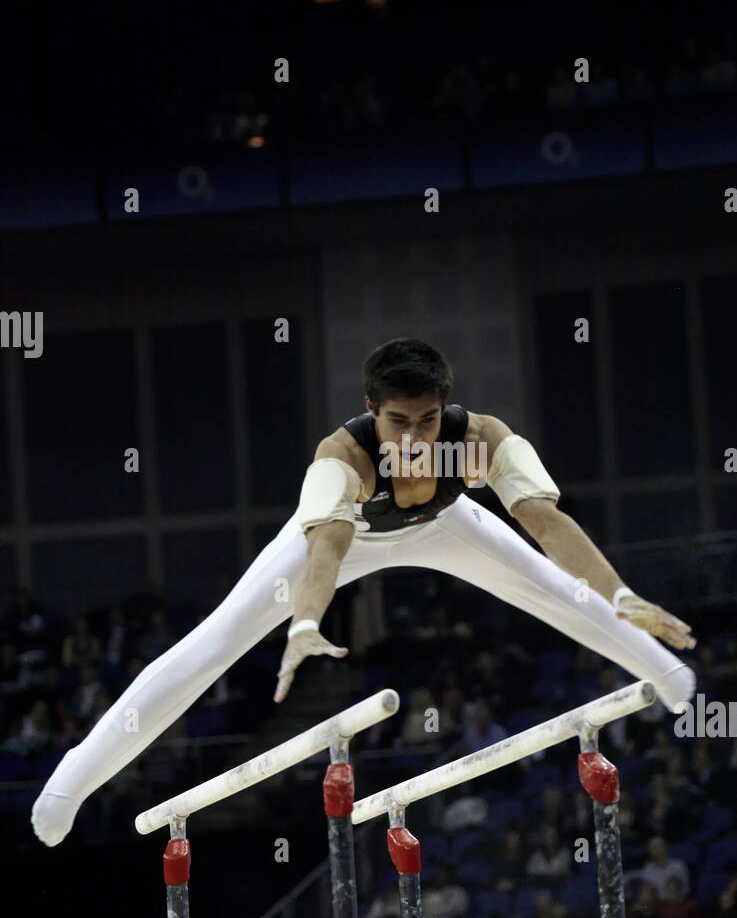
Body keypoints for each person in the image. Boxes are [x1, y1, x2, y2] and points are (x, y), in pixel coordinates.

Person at [32, 338, 696, 847]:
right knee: (214, 644)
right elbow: (327, 545)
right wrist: (304, 622)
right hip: (341, 536)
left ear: (447, 408)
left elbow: (546, 521)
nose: (415, 439)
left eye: (429, 420)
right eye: (399, 421)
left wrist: (621, 593)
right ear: (370, 409)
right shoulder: (340, 459)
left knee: (562, 594)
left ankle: (664, 669)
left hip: (445, 526)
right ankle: (77, 775)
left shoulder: (481, 441)